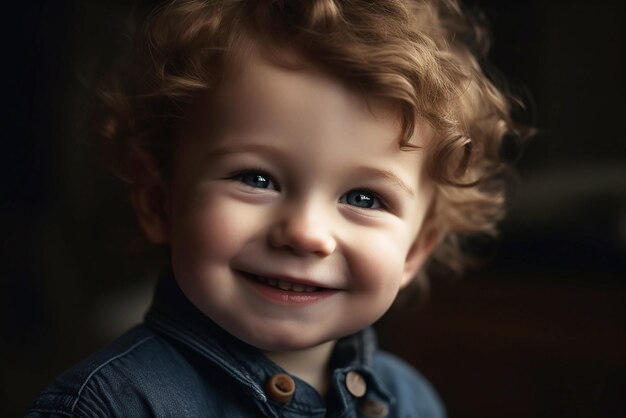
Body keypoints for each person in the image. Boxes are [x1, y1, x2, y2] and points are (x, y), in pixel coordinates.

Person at [25, 0, 523, 416]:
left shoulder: (411, 402)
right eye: (257, 179)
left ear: (415, 250)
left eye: (364, 198)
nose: (306, 233)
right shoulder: (111, 406)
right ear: (160, 203)